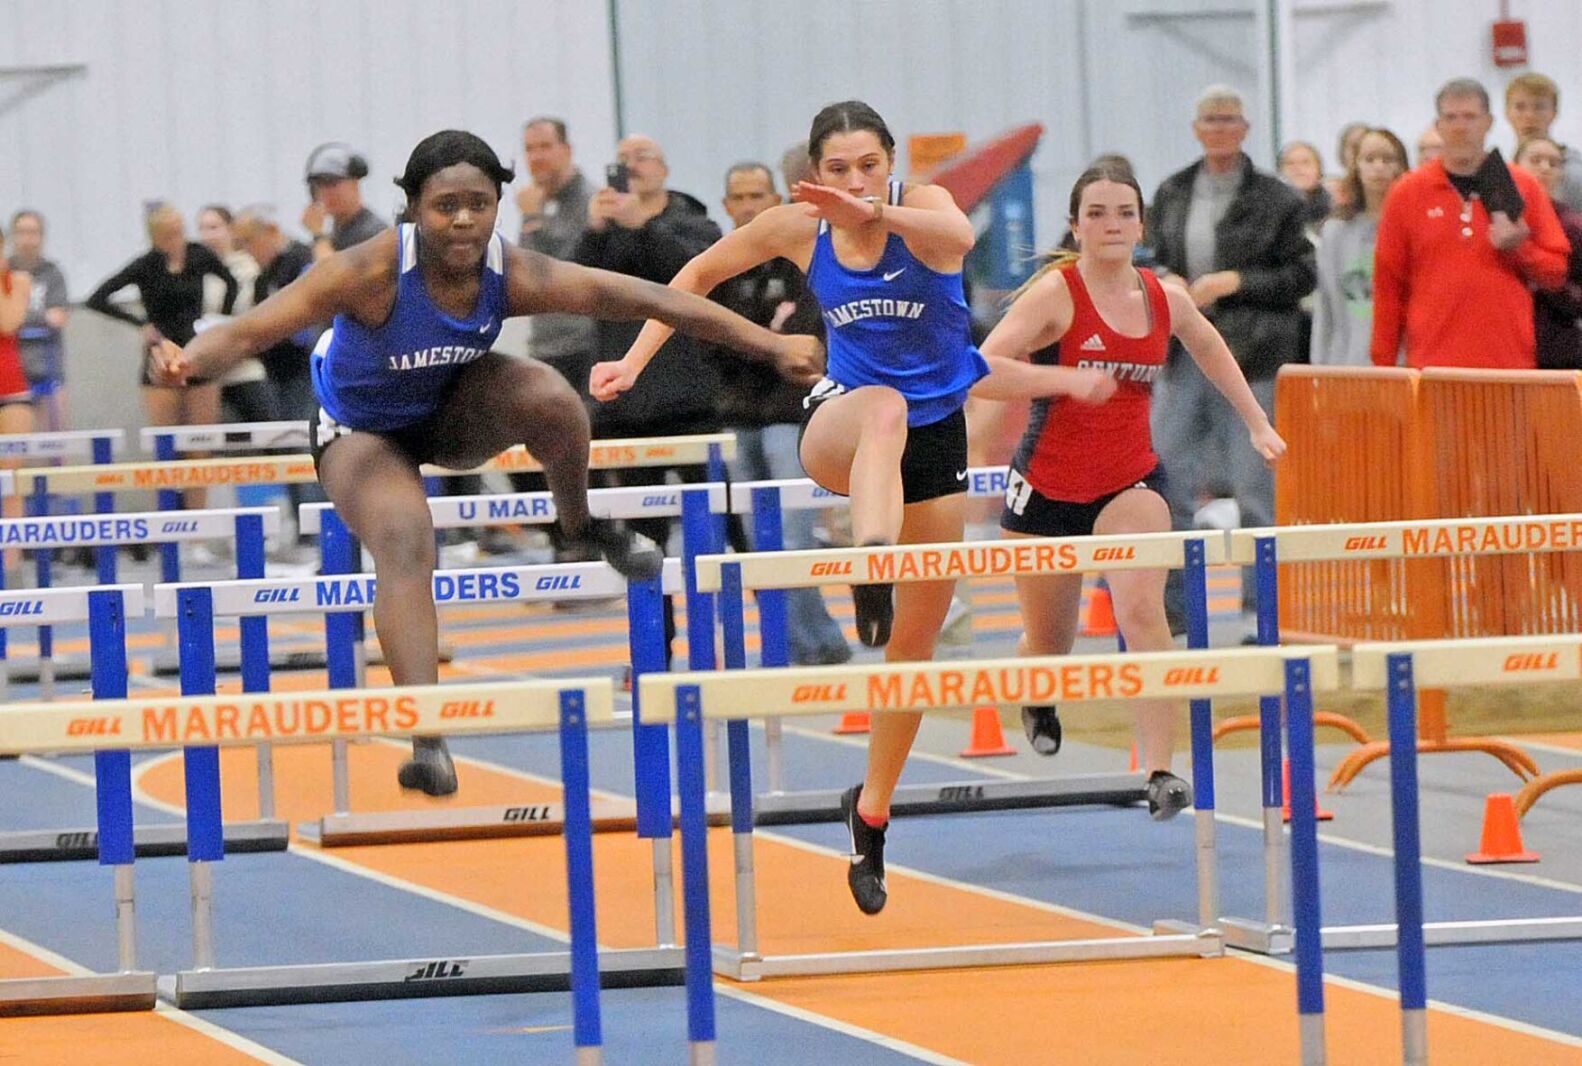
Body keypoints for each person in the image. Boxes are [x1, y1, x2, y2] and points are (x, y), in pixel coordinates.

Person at [149, 129, 822, 797]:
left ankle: (581, 526)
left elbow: (646, 298)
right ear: (412, 208)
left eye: (480, 203)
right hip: (359, 430)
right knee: (406, 540)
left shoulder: (511, 270)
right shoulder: (369, 272)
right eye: (446, 206)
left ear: (498, 203)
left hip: (449, 412)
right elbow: (250, 329)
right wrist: (187, 363)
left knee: (552, 397)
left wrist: (769, 344)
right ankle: (428, 740)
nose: (464, 220)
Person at [592, 101, 1116, 915]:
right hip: (842, 425)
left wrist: (872, 208)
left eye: (867, 164)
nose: (852, 181)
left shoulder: (929, 209)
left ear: (889, 161)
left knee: (912, 655)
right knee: (880, 407)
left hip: (934, 444)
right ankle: (871, 562)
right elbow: (694, 280)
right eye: (836, 170)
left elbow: (962, 242)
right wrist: (629, 362)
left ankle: (870, 814)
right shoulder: (799, 226)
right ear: (813, 171)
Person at [983, 160, 1285, 819]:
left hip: (1130, 482)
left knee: (1143, 613)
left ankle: (1159, 769)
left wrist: (1259, 423)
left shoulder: (1162, 297)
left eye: (1124, 213)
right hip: (1048, 488)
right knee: (1048, 643)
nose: (1111, 225)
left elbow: (1209, 347)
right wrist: (1064, 383)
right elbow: (981, 372)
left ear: (1142, 225)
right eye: (1097, 213)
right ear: (1075, 225)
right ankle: (1039, 690)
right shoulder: (1055, 295)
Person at [1146, 85, 1313, 612]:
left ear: (1244, 129)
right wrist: (1166, 276)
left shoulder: (1279, 199)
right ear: (1196, 129)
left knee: (1255, 486)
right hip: (1182, 355)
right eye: (1209, 120)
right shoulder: (1172, 190)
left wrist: (1236, 281)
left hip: (1254, 355)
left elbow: (1303, 274)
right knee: (1164, 473)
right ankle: (1173, 607)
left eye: (1228, 120)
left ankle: (1262, 611)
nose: (1218, 128)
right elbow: (1152, 254)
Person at [574, 134, 727, 660]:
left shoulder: (692, 220)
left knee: (723, 529)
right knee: (645, 541)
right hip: (628, 407)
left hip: (692, 404)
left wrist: (644, 224)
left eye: (641, 158)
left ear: (663, 168)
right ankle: (653, 649)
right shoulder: (606, 233)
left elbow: (696, 276)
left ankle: (728, 640)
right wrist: (596, 230)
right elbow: (576, 286)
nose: (631, 168)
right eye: (621, 161)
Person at [710, 159, 849, 665]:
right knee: (755, 543)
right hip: (736, 416)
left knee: (791, 537)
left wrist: (760, 340)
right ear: (727, 207)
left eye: (758, 197)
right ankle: (815, 643)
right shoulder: (723, 264)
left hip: (791, 416)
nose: (749, 207)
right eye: (739, 198)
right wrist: (769, 337)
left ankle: (808, 644)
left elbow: (807, 347)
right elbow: (714, 339)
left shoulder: (801, 260)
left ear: (776, 201)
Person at [1372, 78, 1570, 370]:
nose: (1460, 127)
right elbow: (1388, 285)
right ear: (1437, 125)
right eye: (1450, 117)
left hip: (1508, 366)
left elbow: (1555, 272)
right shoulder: (1407, 193)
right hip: (1432, 367)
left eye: (1470, 117)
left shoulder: (1523, 186)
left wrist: (1520, 248)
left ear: (1488, 122)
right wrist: (1383, 366)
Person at [86, 204, 237, 507]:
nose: (176, 239)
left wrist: (219, 320)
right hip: (161, 353)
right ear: (155, 236)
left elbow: (230, 282)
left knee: (200, 445)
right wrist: (141, 324)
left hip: (196, 351)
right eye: (168, 234)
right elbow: (98, 297)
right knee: (166, 446)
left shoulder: (198, 254)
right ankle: (170, 523)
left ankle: (198, 526)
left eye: (179, 231)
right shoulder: (146, 265)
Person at [1310, 128, 1409, 367]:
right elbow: (1326, 310)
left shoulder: (1414, 227)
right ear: (1355, 165)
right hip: (1347, 362)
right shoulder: (1335, 231)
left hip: (1404, 364)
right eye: (1369, 159)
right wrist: (1318, 369)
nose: (1378, 167)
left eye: (1387, 159)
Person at [197, 205, 274, 424]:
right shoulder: (195, 271)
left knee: (268, 429)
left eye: (213, 227)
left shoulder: (250, 268)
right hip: (206, 368)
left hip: (244, 361)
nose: (207, 235)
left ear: (230, 230)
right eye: (202, 228)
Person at [1514, 136, 1582, 369]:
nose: (1545, 168)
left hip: (1556, 349)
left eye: (1553, 163)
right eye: (1536, 160)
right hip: (1504, 342)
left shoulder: (1573, 226)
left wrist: (1545, 277)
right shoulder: (1493, 219)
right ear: (1515, 166)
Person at [5, 210, 69, 430]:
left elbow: (59, 316)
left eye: (33, 233)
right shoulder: (5, 272)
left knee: (56, 437)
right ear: (13, 236)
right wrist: (41, 317)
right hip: (11, 367)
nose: (27, 239)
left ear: (42, 236)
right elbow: (6, 321)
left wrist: (18, 317)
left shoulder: (52, 273)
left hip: (47, 366)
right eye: (21, 232)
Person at [0, 224, 37, 552]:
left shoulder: (18, 281)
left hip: (11, 390)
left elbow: (8, 321)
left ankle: (11, 565)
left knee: (11, 480)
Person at [1505, 73, 1582, 212]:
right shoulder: (1502, 170)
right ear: (1507, 112)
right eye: (1520, 107)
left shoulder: (1574, 174)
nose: (1529, 116)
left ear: (1554, 113)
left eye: (1539, 107)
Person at [302, 142, 388, 262]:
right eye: (318, 185)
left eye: (331, 183)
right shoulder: (337, 235)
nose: (324, 193)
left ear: (354, 184)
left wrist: (318, 236)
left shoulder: (372, 233)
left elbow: (331, 276)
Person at [1279, 141, 1332, 233]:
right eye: (1290, 163)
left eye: (1306, 162)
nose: (1297, 168)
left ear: (1319, 171)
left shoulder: (1336, 212)